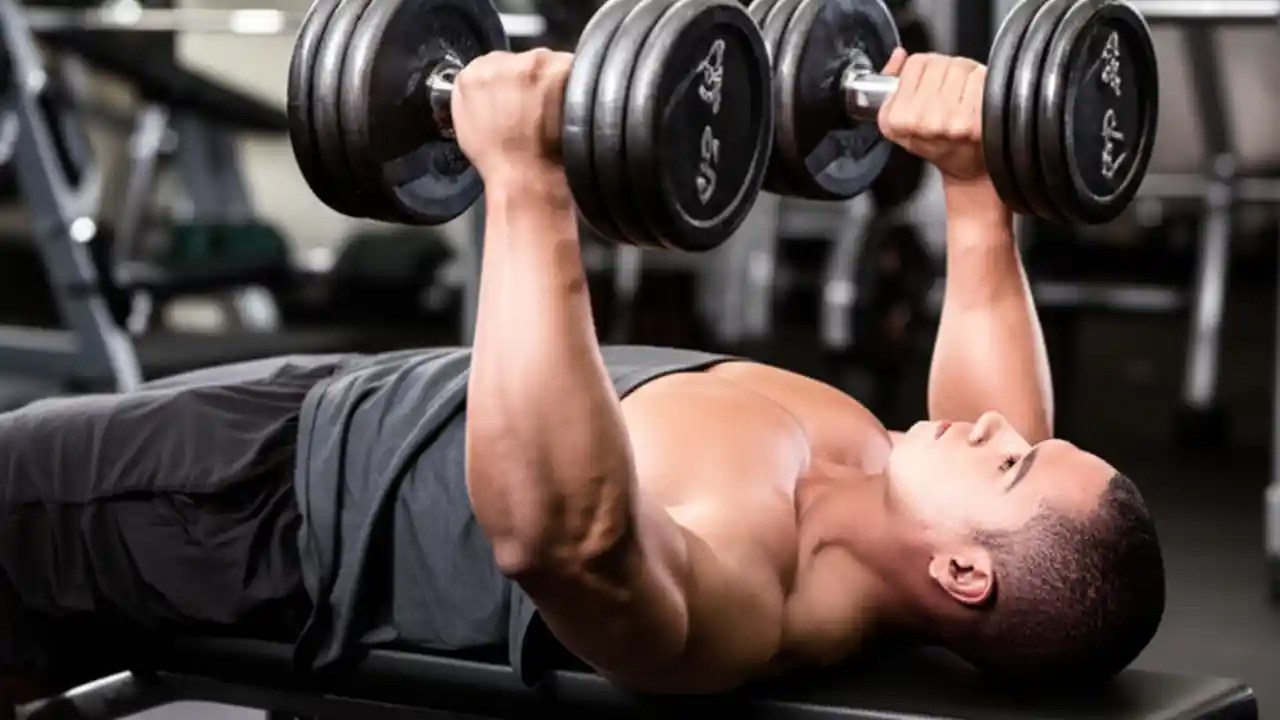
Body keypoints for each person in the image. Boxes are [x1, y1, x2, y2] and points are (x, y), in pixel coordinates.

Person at [0, 49, 1166, 708]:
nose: (997, 430)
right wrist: (971, 184)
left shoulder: (746, 596)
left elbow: (560, 536)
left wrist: (522, 180)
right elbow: (992, 410)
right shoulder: (899, 504)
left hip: (268, 500)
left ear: (961, 572)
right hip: (368, 394)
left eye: (1011, 462)